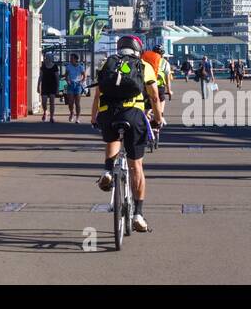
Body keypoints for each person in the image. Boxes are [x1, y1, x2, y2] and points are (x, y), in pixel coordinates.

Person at [91, 34, 162, 233]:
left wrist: (94, 116)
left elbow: (97, 94)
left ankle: (107, 170)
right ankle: (138, 214)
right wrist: (157, 119)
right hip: (133, 114)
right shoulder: (143, 65)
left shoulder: (107, 63)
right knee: (136, 165)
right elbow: (154, 96)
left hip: (108, 113)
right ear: (137, 49)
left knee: (112, 137)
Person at [141, 46, 174, 128]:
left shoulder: (145, 60)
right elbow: (167, 79)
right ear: (162, 54)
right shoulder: (165, 62)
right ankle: (160, 116)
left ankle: (145, 117)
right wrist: (169, 91)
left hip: (146, 86)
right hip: (159, 86)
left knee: (147, 105)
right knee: (161, 99)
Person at [63, 54, 87, 123]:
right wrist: (67, 81)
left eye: (72, 59)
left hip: (78, 85)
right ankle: (71, 112)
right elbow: (66, 75)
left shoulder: (80, 67)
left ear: (76, 59)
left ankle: (77, 118)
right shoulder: (68, 67)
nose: (70, 60)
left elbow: (84, 76)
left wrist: (81, 82)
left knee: (77, 103)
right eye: (70, 58)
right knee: (70, 102)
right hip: (71, 85)